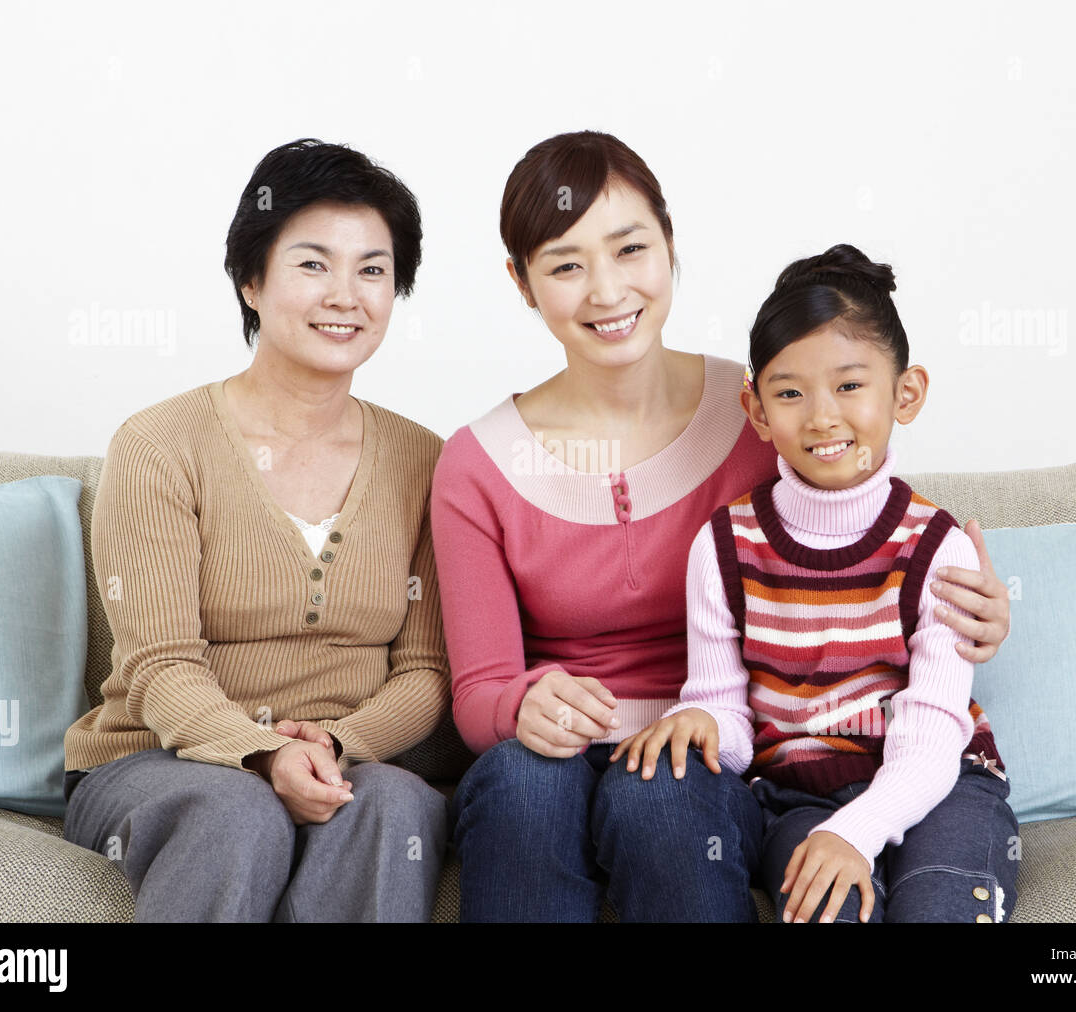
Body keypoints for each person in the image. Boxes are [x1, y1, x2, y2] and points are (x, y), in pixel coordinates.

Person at [430, 132, 1014, 922]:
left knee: (663, 794)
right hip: (563, 751)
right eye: (566, 265)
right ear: (523, 283)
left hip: (711, 757)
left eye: (630, 249)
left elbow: (862, 529)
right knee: (523, 782)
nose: (606, 291)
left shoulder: (764, 409)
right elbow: (478, 692)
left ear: (669, 246)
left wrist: (976, 609)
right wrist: (518, 704)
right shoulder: (476, 465)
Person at [61, 139, 449, 922]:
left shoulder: (425, 459)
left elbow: (426, 670)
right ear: (251, 281)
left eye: (373, 270)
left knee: (396, 807)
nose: (346, 294)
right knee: (236, 810)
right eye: (313, 264)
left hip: (351, 757)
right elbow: (161, 664)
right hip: (158, 757)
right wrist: (263, 753)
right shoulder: (159, 445)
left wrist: (336, 744)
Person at [613, 244, 1020, 923]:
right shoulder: (724, 547)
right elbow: (732, 720)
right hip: (800, 799)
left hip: (941, 785)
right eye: (791, 392)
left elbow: (928, 736)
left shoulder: (936, 547)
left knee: (939, 909)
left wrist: (855, 832)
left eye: (850, 385)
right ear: (757, 410)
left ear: (907, 392)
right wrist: (700, 720)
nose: (823, 416)